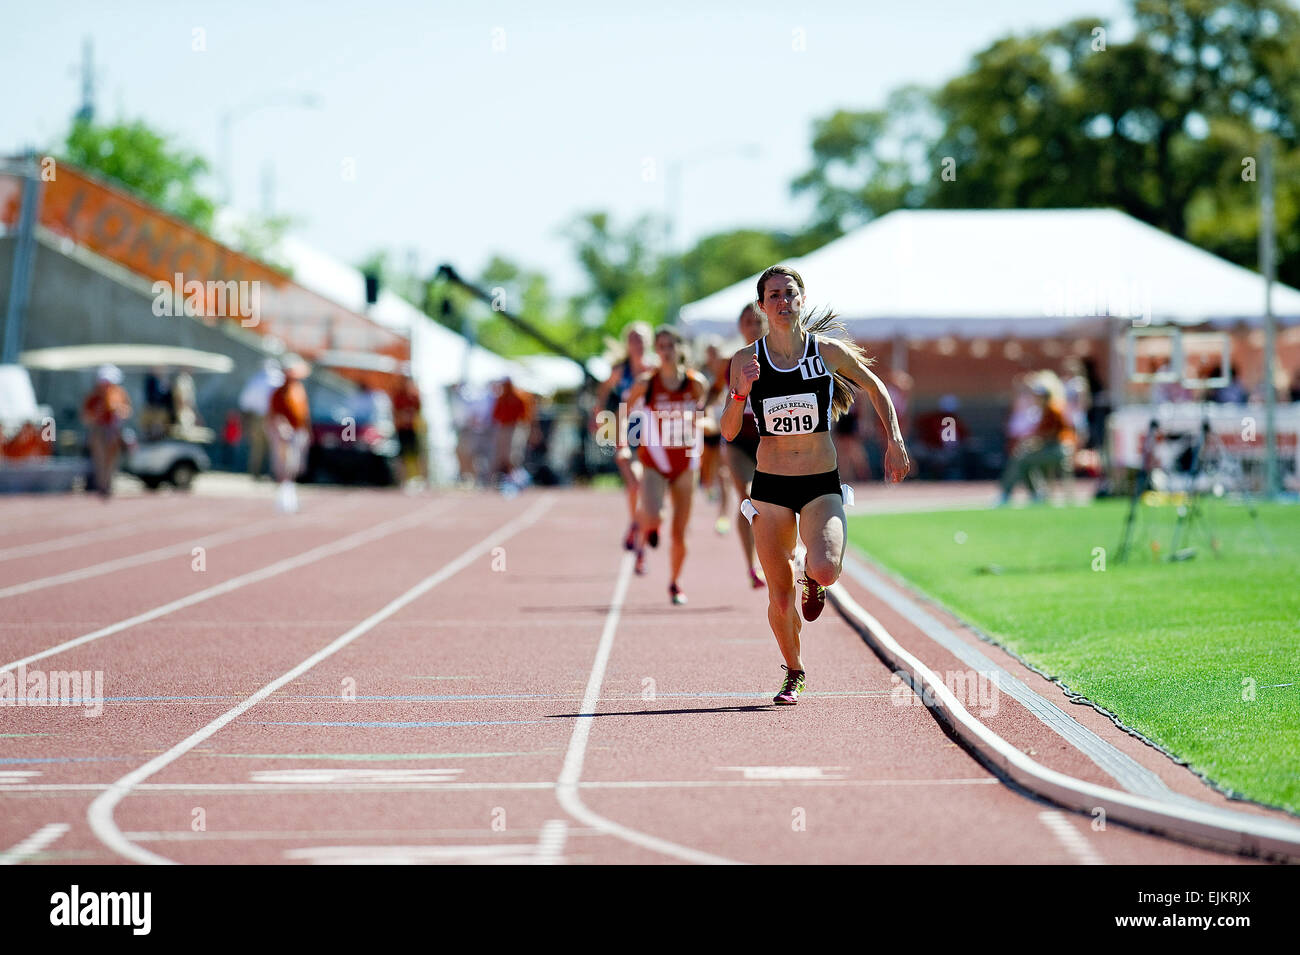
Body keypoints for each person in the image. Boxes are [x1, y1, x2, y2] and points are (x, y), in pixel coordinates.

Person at [722, 266, 909, 705]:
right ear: (762, 306)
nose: (782, 302)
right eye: (774, 296)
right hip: (769, 488)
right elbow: (730, 432)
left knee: (825, 568)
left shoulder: (827, 352)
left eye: (789, 294)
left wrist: (894, 441)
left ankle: (815, 579)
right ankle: (793, 670)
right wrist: (739, 393)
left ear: (801, 300)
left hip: (820, 483)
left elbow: (876, 386)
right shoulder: (745, 361)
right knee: (780, 599)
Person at [624, 325, 708, 604]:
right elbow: (625, 409)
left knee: (680, 533)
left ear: (680, 348)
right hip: (655, 460)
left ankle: (675, 582)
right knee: (654, 514)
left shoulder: (696, 384)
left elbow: (707, 418)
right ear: (656, 351)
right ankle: (650, 526)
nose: (666, 351)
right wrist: (624, 443)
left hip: (685, 462)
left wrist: (699, 423)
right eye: (661, 346)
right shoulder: (647, 382)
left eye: (671, 345)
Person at [593, 322, 657, 552]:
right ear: (627, 344)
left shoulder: (655, 368)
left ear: (649, 343)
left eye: (641, 339)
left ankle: (636, 525)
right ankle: (636, 526)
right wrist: (600, 412)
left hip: (653, 431)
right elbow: (603, 391)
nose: (638, 344)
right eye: (633, 340)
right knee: (634, 484)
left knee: (644, 487)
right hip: (626, 429)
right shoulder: (621, 370)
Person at [722, 304, 769, 589]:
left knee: (771, 502)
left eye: (757, 322)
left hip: (768, 438)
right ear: (741, 328)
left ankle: (775, 556)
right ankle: (751, 565)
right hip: (739, 438)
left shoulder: (777, 358)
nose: (752, 327)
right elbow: (715, 394)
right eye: (747, 323)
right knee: (747, 496)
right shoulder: (734, 360)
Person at [997, 372, 1075, 506]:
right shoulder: (1044, 411)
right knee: (1022, 458)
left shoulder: (1053, 410)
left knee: (1022, 460)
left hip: (1057, 449)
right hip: (1049, 447)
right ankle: (1035, 493)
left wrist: (1033, 442)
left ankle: (1012, 493)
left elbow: (1051, 434)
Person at [81, 364, 133, 499]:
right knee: (100, 458)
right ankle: (102, 485)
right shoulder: (94, 397)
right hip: (99, 429)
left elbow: (127, 410)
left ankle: (108, 484)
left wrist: (119, 411)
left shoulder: (119, 393)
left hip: (114, 429)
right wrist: (96, 416)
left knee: (112, 458)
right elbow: (86, 416)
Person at [267, 356, 311, 513]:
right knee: (284, 464)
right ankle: (283, 495)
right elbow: (274, 415)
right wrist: (281, 428)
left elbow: (304, 413)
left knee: (295, 465)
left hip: (298, 431)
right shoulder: (278, 393)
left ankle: (290, 492)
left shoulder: (298, 390)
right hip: (285, 433)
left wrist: (307, 430)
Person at [239, 359, 285, 480]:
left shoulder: (256, 380)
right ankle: (273, 473)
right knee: (274, 446)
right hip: (274, 417)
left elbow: (245, 401)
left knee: (257, 447)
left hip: (258, 417)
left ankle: (256, 473)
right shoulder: (279, 380)